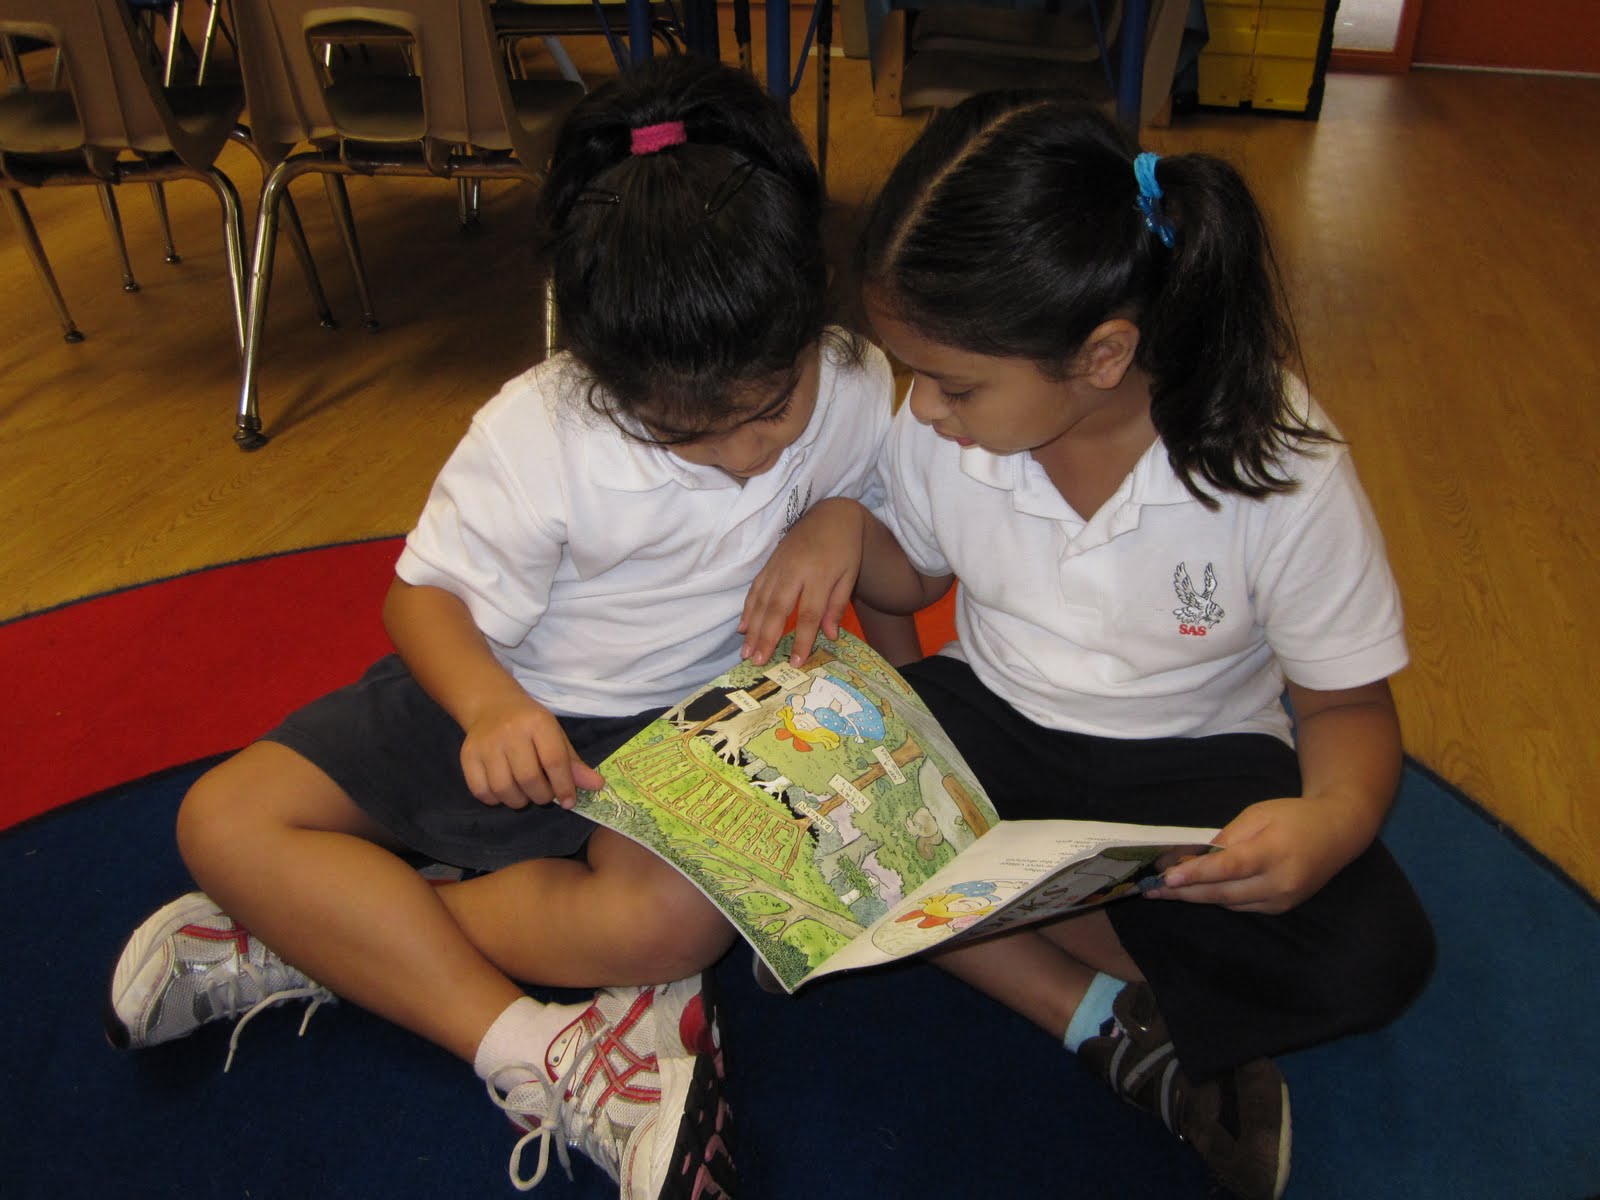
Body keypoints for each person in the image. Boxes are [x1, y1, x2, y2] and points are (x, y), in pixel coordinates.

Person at [103, 55, 908, 1199]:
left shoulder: (856, 381)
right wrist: (487, 705)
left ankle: (330, 937)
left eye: (774, 408)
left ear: (812, 325)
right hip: (516, 690)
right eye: (690, 436)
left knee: (677, 922)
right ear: (597, 370)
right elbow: (421, 600)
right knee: (223, 820)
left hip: (698, 729)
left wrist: (837, 517)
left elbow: (904, 544)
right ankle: (535, 1046)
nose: (748, 457)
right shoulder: (538, 430)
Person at [741, 90, 1435, 1200]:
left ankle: (1001, 926)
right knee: (762, 801)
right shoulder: (946, 432)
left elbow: (1347, 711)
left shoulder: (1278, 462)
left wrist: (1328, 822)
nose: (922, 410)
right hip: (999, 716)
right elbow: (913, 577)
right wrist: (843, 527)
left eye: (955, 385)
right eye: (916, 376)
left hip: (1193, 756)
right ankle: (1095, 1014)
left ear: (1103, 355)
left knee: (1376, 954)